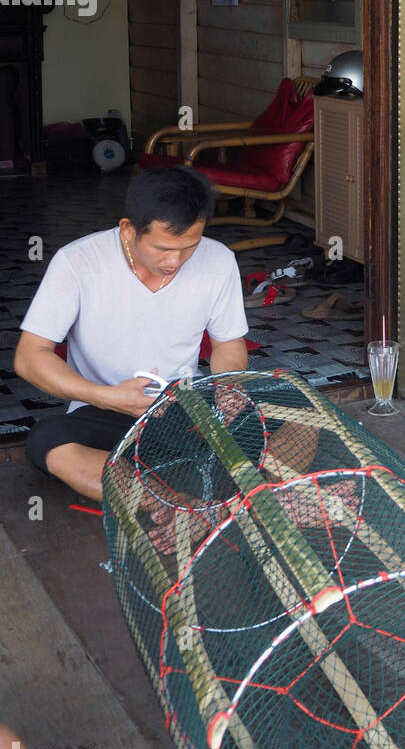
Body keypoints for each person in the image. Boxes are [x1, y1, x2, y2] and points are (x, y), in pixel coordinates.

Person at [15, 166, 248, 505]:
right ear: (128, 230)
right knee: (47, 442)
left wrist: (228, 387)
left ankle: (271, 499)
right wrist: (105, 396)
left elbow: (228, 343)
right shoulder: (77, 262)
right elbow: (29, 355)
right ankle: (171, 507)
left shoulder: (219, 261)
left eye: (189, 247)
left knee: (292, 408)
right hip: (104, 409)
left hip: (183, 407)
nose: (175, 261)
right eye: (163, 248)